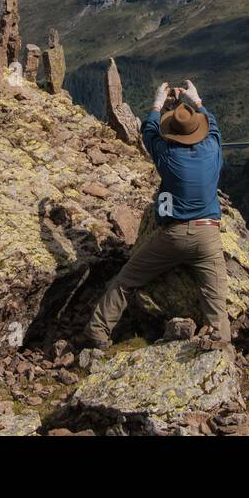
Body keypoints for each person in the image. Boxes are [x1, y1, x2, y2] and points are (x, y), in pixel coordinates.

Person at [82, 79, 229, 346]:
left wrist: (158, 104)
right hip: (208, 235)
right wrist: (197, 101)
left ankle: (98, 330)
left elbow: (148, 131)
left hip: (173, 235)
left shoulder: (167, 155)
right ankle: (221, 343)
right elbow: (214, 127)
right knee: (216, 300)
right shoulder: (213, 149)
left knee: (126, 280)